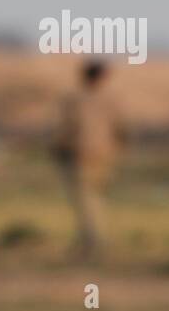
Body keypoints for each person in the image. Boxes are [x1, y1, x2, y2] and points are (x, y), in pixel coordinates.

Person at [51, 60, 127, 261]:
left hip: (79, 156)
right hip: (105, 156)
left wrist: (59, 148)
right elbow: (122, 129)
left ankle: (92, 241)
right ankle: (88, 239)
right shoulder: (112, 100)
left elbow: (66, 128)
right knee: (95, 198)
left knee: (86, 200)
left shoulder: (74, 100)